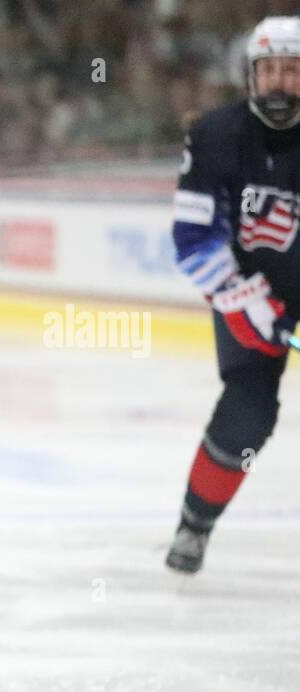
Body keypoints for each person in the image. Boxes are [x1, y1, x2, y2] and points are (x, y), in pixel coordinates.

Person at [168, 17, 300, 574]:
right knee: (247, 411)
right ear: (249, 75)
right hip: (249, 292)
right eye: (268, 70)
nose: (277, 83)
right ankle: (194, 525)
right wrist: (239, 297)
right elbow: (194, 236)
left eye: (291, 72)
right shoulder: (216, 135)